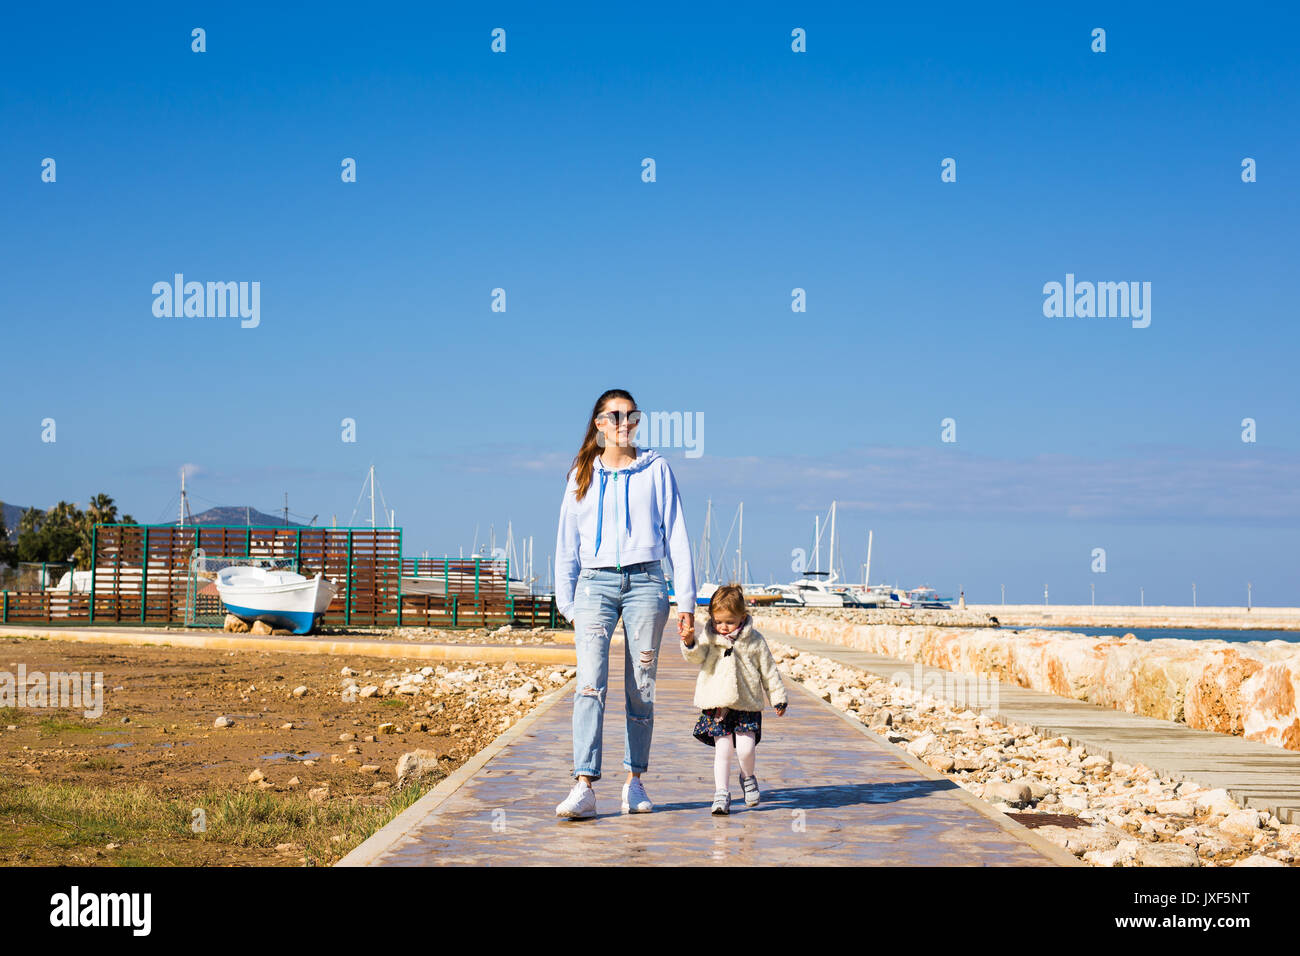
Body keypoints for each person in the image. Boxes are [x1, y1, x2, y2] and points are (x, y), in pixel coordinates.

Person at [553, 388, 697, 819]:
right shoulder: (581, 473)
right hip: (594, 586)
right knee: (590, 683)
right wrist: (568, 604)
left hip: (646, 583)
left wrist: (686, 600)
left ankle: (635, 781)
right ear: (599, 424)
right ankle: (584, 785)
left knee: (641, 686)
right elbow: (566, 544)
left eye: (632, 415)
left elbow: (677, 535)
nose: (625, 423)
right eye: (615, 416)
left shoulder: (656, 469)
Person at [681, 583, 787, 814]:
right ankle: (721, 793)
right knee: (723, 750)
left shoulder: (754, 640)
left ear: (742, 616)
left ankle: (747, 777)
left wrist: (777, 697)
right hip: (718, 705)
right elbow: (695, 657)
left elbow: (769, 671)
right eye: (718, 621)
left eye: (729, 621)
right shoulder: (710, 637)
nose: (723, 627)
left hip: (746, 703)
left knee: (746, 749)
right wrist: (689, 642)